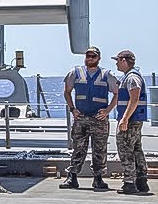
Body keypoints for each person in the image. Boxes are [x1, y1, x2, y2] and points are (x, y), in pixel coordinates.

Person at [60, 46, 118, 190]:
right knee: (78, 148)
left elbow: (117, 93)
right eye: (88, 56)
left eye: (93, 56)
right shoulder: (75, 72)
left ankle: (98, 178)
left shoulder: (107, 75)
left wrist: (108, 110)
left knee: (100, 149)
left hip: (99, 119)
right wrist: (72, 109)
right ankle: (72, 177)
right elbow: (67, 91)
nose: (90, 58)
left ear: (98, 58)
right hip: (81, 118)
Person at [112, 50, 150, 195]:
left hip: (130, 120)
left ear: (123, 60)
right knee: (136, 150)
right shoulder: (130, 76)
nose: (116, 63)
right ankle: (141, 181)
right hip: (134, 120)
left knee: (125, 149)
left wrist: (124, 118)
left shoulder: (132, 78)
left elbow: (134, 99)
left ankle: (129, 182)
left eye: (117, 60)